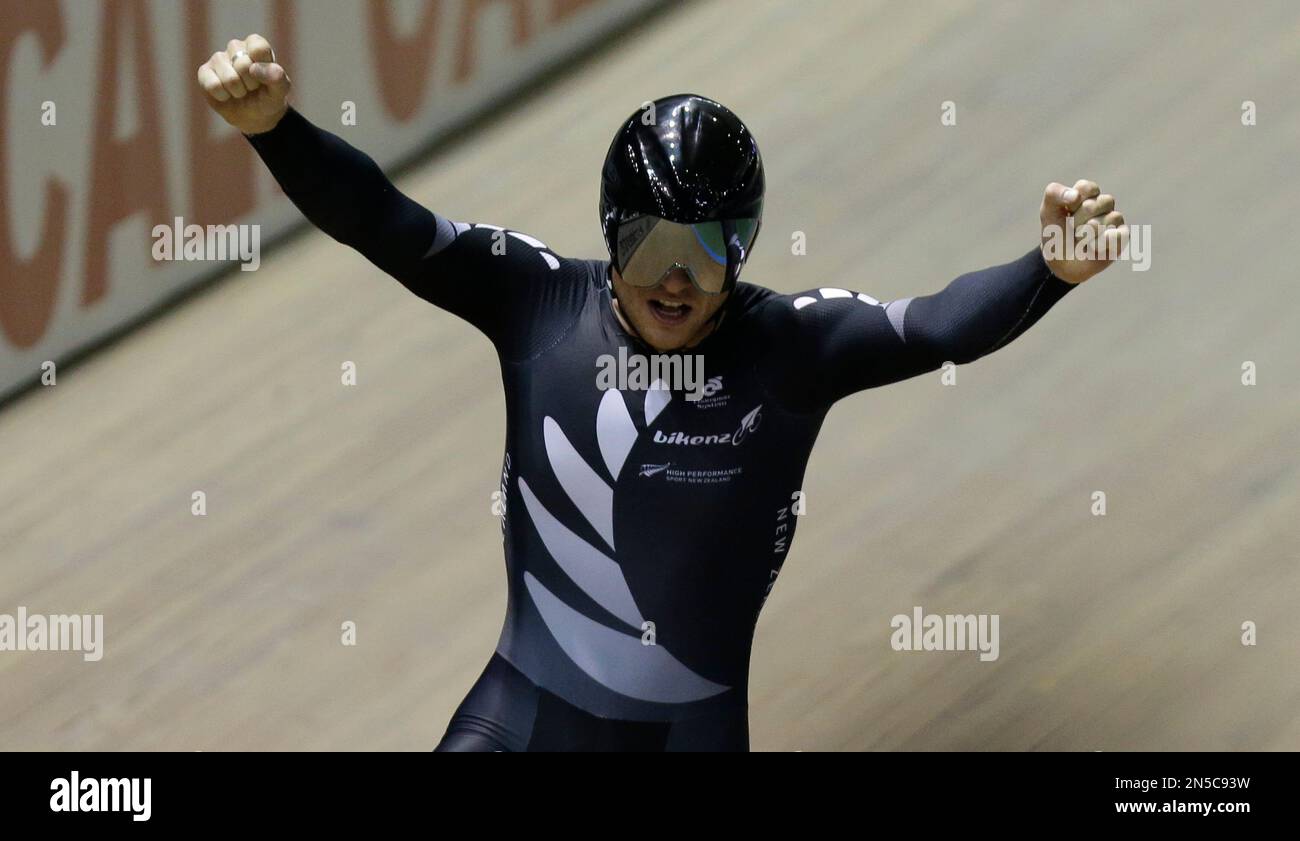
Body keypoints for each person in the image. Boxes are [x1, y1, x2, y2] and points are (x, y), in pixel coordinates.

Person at [198, 35, 1129, 751]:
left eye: (709, 247)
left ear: (746, 250)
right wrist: (276, 131)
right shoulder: (533, 301)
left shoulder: (795, 344)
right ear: (611, 230)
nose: (675, 279)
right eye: (650, 245)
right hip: (524, 715)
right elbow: (385, 223)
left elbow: (934, 325)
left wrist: (1049, 269)